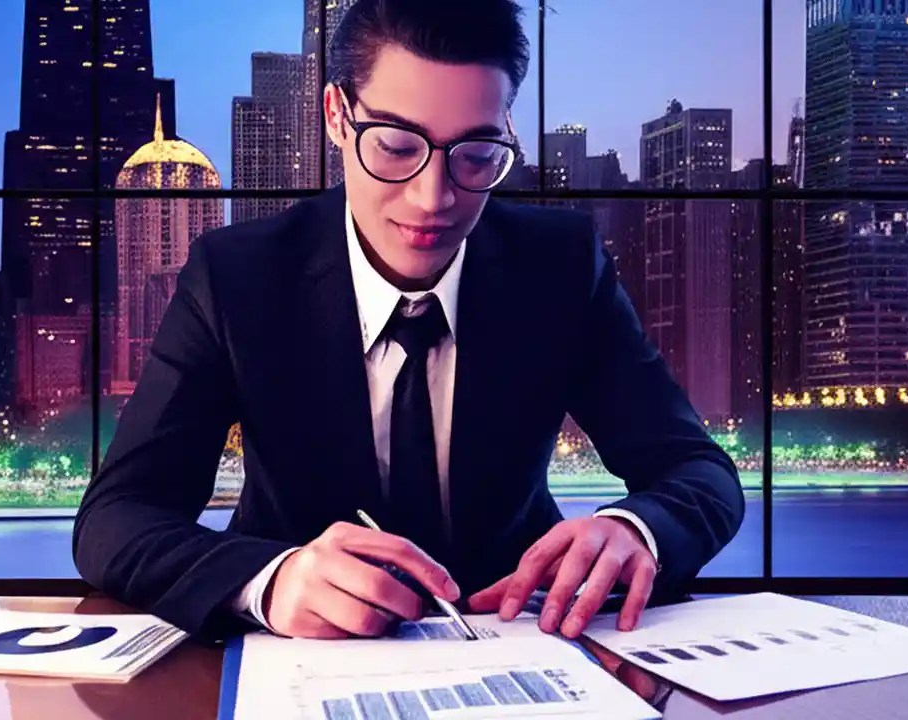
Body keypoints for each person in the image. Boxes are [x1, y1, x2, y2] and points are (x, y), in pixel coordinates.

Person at [73, 0, 743, 642]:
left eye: (476, 156)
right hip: (300, 663)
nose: (433, 199)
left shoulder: (561, 267)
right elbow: (117, 517)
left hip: (520, 642)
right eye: (395, 146)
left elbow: (696, 470)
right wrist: (268, 582)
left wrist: (637, 530)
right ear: (337, 116)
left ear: (506, 131)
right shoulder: (236, 276)